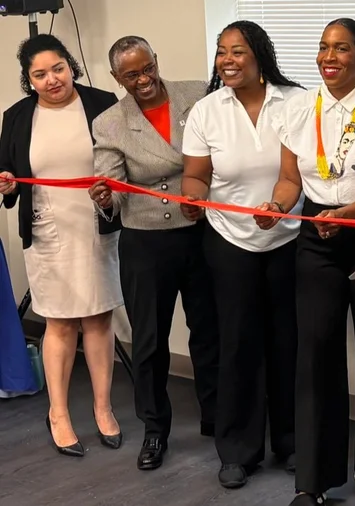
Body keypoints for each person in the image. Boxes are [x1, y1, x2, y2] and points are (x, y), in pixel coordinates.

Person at [254, 18, 355, 506]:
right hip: (316, 239)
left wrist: (343, 216)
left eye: (342, 49)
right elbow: (289, 180)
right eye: (324, 47)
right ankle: (313, 480)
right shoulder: (298, 110)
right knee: (315, 354)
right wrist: (277, 208)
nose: (330, 57)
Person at [181, 21, 304, 489]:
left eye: (237, 51)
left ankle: (292, 441)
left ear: (260, 57)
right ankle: (237, 449)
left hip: (288, 238)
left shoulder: (295, 102)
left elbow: (294, 175)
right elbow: (196, 175)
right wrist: (193, 198)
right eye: (220, 52)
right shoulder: (207, 111)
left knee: (288, 342)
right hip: (228, 240)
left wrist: (277, 206)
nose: (227, 60)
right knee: (237, 344)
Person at [88, 35, 220, 471]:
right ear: (116, 78)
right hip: (146, 241)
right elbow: (110, 180)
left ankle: (218, 419)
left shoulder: (198, 93)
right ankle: (155, 429)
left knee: (209, 331)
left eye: (148, 68)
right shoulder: (109, 123)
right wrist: (105, 198)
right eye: (131, 75)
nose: (143, 79)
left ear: (156, 61)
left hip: (201, 233)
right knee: (149, 341)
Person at [0, 34, 124, 457]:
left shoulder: (103, 102)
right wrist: (7, 183)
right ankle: (59, 413)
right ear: (29, 79)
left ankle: (104, 409)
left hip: (95, 224)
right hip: (47, 228)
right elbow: (9, 173)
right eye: (40, 74)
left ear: (71, 65)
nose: (51, 79)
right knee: (60, 322)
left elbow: (122, 159)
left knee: (98, 317)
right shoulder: (16, 116)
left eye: (58, 68)